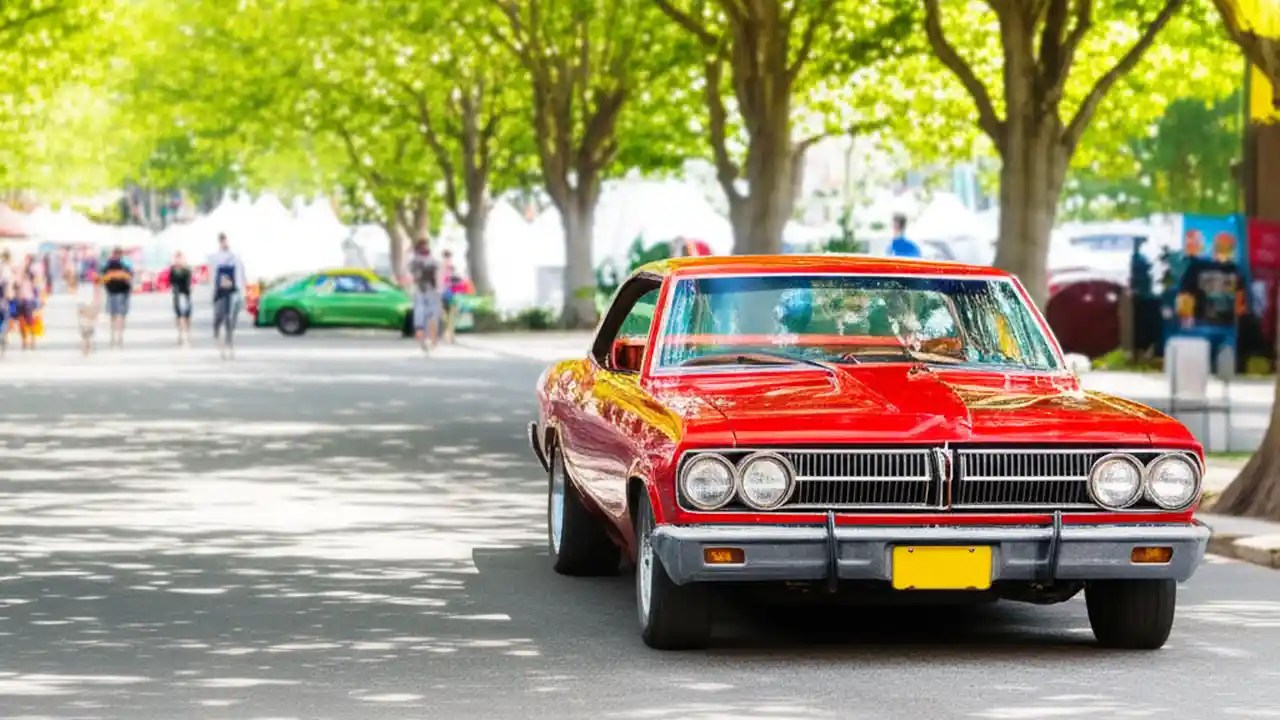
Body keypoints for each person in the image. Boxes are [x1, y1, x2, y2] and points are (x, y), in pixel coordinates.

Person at [208, 233, 246, 359]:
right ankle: (218, 336)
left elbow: (241, 273)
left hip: (233, 290)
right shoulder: (215, 257)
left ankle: (229, 344)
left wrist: (242, 290)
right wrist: (213, 291)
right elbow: (213, 275)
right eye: (224, 241)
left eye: (227, 241)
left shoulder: (236, 256)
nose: (226, 243)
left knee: (230, 318)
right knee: (219, 317)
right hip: (220, 291)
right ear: (220, 242)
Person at [405, 239, 442, 352]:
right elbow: (437, 274)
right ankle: (429, 342)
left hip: (424, 290)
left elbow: (410, 275)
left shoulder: (415, 260)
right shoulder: (430, 260)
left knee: (424, 317)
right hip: (426, 290)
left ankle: (428, 342)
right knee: (428, 317)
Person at [101, 247, 134, 349]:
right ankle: (118, 337)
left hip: (114, 293)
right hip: (120, 292)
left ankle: (114, 337)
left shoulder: (108, 263)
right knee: (120, 316)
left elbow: (103, 277)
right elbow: (130, 276)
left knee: (114, 316)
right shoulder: (125, 263)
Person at [169, 252, 193, 347]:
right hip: (178, 296)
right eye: (177, 258)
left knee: (187, 317)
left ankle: (186, 334)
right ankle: (182, 336)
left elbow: (189, 282)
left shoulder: (187, 270)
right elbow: (171, 282)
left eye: (180, 258)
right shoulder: (173, 270)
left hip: (186, 295)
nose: (178, 261)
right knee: (180, 316)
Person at [440, 249, 463, 344]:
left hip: (445, 292)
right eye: (448, 257)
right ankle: (450, 336)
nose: (449, 260)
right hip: (448, 292)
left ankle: (448, 335)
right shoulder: (448, 267)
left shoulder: (444, 267)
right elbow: (453, 280)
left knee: (447, 315)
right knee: (450, 314)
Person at [75, 275, 102, 356]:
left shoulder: (81, 288)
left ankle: (86, 345)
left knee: (85, 330)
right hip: (90, 308)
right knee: (88, 330)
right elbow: (97, 301)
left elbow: (79, 302)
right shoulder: (93, 288)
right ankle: (87, 344)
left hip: (86, 309)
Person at [0, 251, 12, 357]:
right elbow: (8, 287)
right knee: (4, 321)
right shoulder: (6, 269)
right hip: (3, 301)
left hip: (3, 300)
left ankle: (4, 339)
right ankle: (4, 339)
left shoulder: (6, 268)